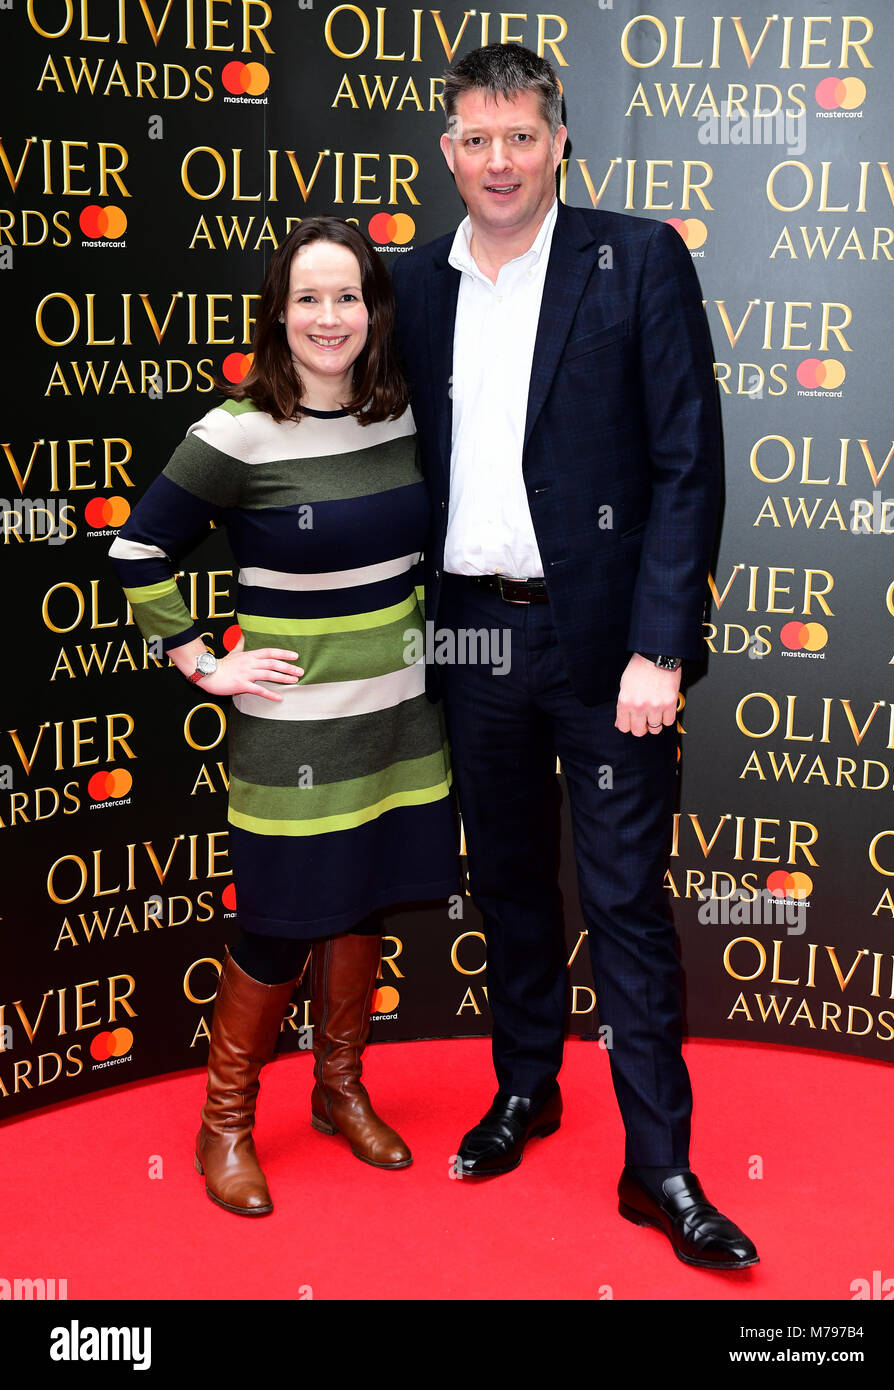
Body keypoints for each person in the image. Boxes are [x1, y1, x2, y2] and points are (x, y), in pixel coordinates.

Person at [391, 44, 758, 1269]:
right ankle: (525, 1088)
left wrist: (660, 647)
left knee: (622, 902)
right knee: (504, 884)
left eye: (520, 136)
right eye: (474, 139)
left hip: (605, 648)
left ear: (560, 142)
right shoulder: (414, 285)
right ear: (447, 152)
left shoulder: (635, 257)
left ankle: (657, 1164)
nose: (497, 160)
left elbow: (683, 467)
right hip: (469, 630)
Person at [109, 217, 460, 1216]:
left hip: (396, 721)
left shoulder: (401, 417)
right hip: (291, 734)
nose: (327, 315)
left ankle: (339, 1090)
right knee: (273, 923)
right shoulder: (239, 429)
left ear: (373, 310)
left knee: (361, 904)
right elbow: (138, 553)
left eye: (346, 294)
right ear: (277, 311)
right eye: (306, 296)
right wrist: (200, 661)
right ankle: (224, 1120)